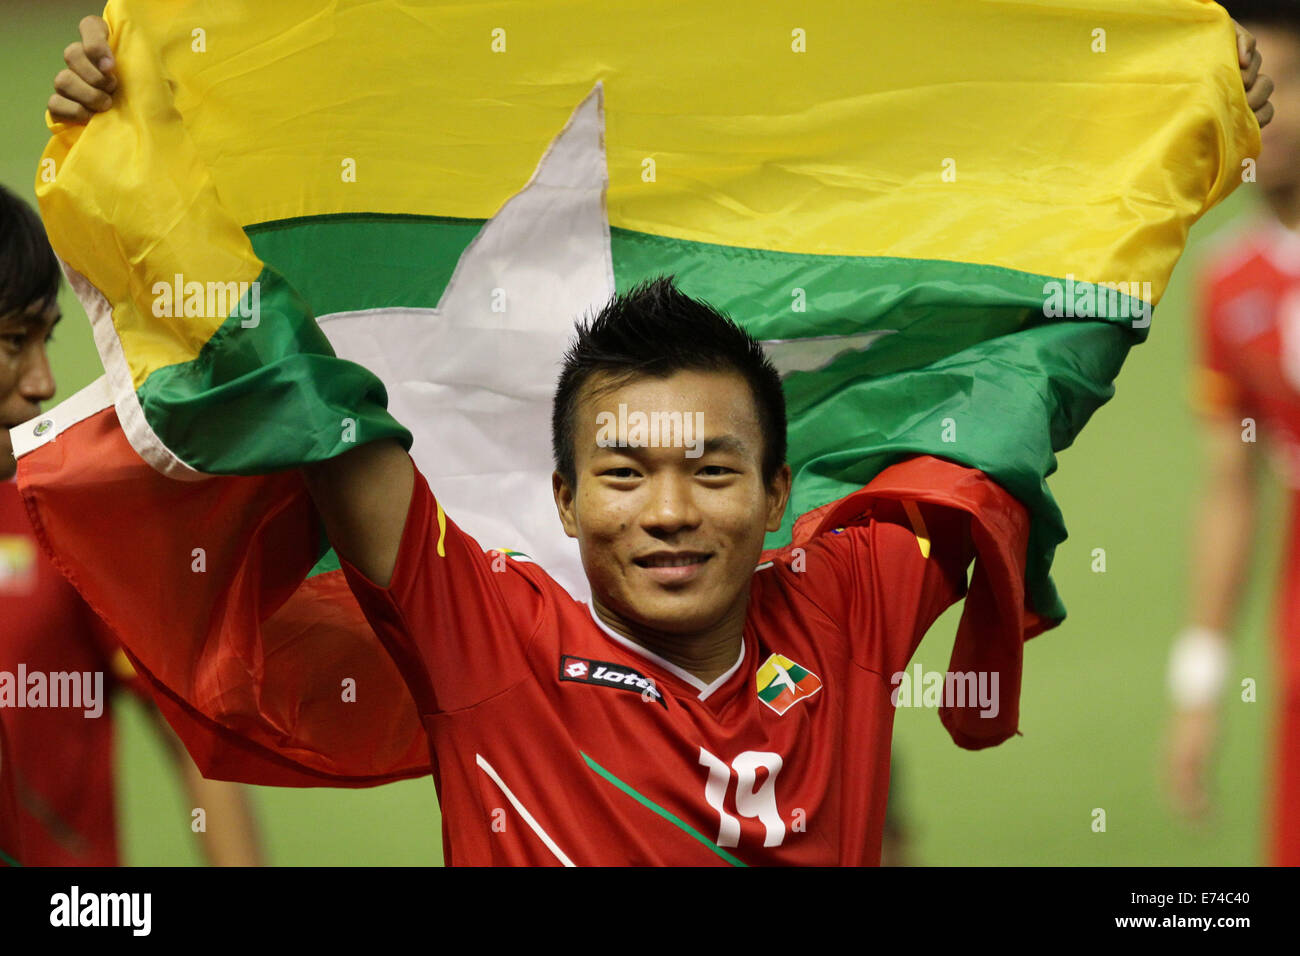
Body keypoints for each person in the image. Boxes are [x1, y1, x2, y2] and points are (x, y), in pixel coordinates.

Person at [40, 13, 1276, 866]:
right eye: (624, 474)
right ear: (564, 497)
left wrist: (1170, 131)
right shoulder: (486, 634)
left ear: (781, 488)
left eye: (713, 468)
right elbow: (297, 381)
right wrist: (138, 136)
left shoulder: (847, 599)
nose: (670, 509)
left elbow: (1030, 383)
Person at [0, 183, 264, 866]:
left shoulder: (65, 516)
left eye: (45, 338)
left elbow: (197, 746)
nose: (43, 382)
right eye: (12, 341)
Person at [1165, 0, 1300, 867]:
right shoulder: (1225, 281)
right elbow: (1230, 486)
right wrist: (1199, 687)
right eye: (1246, 93)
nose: (1262, 117)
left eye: (1282, 86)